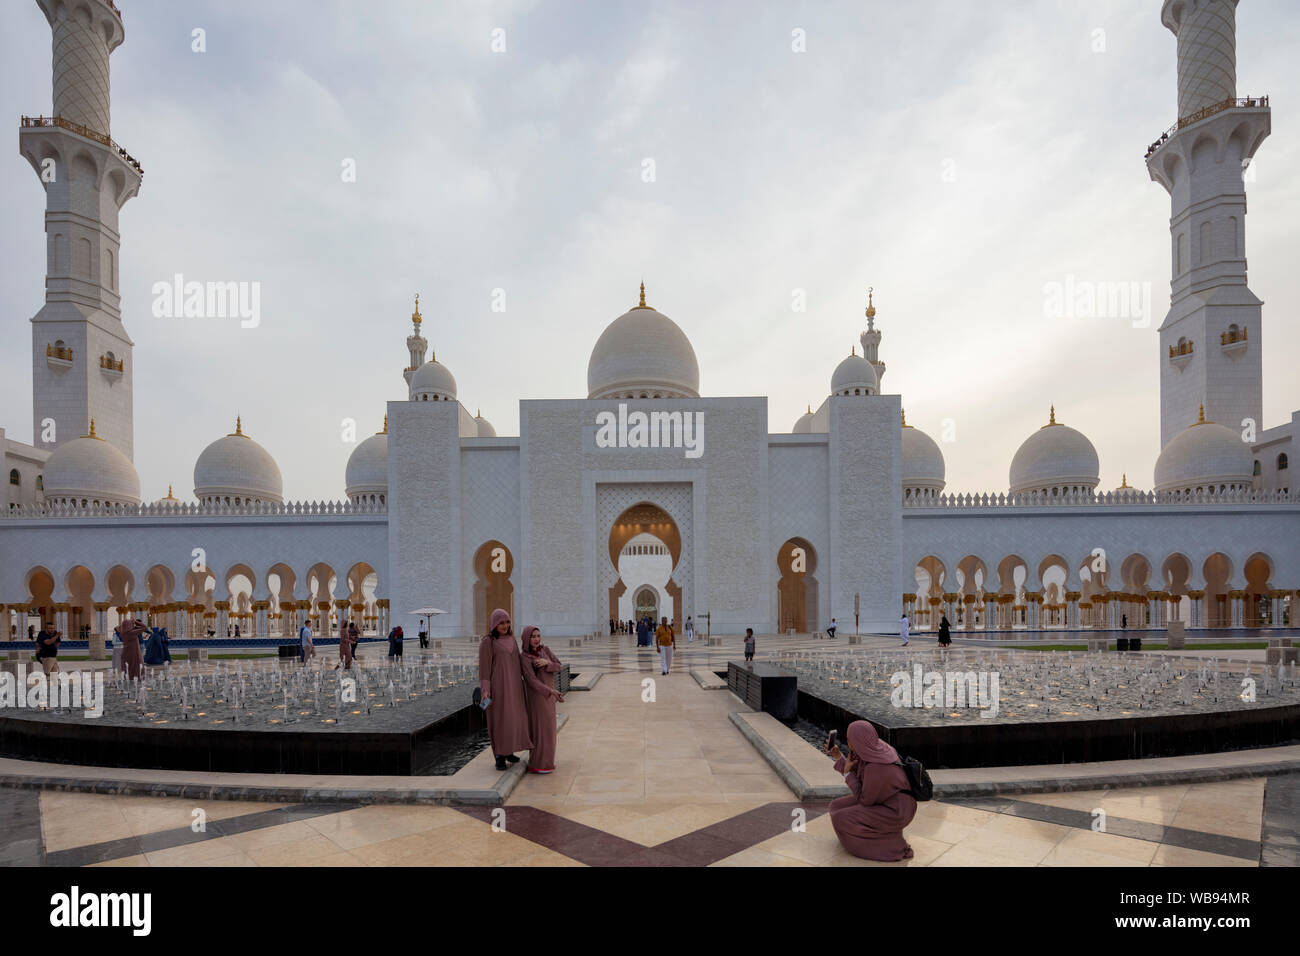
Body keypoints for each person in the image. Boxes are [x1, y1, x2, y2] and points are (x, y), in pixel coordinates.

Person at [824, 721, 918, 861]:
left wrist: (847, 775)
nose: (848, 742)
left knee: (841, 819)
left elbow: (865, 800)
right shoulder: (876, 749)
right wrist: (838, 757)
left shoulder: (877, 767)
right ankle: (885, 834)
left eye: (850, 739)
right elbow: (859, 773)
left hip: (896, 812)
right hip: (886, 802)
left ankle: (893, 847)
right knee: (836, 806)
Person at [479, 608, 532, 772]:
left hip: (514, 686)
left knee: (514, 719)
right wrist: (485, 690)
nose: (505, 625)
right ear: (494, 624)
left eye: (507, 622)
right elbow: (484, 670)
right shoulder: (488, 642)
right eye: (501, 622)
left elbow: (519, 662)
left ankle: (509, 751)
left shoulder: (512, 640)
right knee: (501, 720)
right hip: (499, 687)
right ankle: (499, 756)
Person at [519, 625, 564, 774]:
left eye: (538, 636)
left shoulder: (546, 651)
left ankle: (548, 761)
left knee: (550, 729)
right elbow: (531, 681)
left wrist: (547, 663)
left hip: (549, 697)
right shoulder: (525, 657)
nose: (536, 639)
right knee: (540, 730)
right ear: (526, 638)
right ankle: (538, 763)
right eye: (533, 637)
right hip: (537, 698)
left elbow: (559, 666)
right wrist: (550, 691)